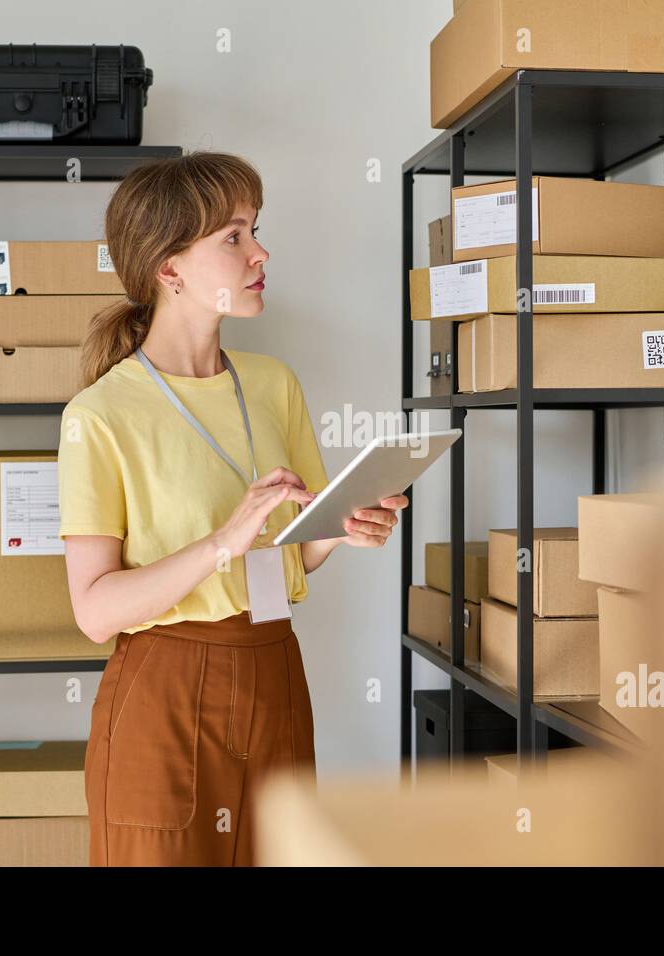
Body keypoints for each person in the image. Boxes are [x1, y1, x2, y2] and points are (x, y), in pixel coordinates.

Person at [56, 151, 407, 866]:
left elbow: (293, 551)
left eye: (255, 230)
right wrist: (222, 542)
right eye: (234, 236)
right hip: (164, 690)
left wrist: (341, 529)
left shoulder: (275, 384)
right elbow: (94, 611)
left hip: (275, 670)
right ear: (170, 268)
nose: (260, 253)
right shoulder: (99, 416)